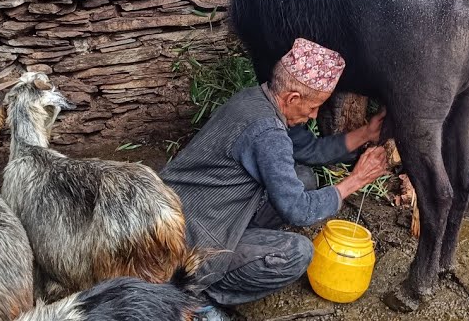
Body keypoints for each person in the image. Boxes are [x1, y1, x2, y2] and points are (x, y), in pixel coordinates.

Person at [161, 38, 390, 320]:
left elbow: (308, 150)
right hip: (191, 245)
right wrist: (355, 180)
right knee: (297, 252)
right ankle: (195, 293)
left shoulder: (255, 99)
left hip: (183, 212)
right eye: (314, 107)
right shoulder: (268, 133)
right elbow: (298, 210)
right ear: (292, 98)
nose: (314, 116)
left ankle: (225, 257)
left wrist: (366, 133)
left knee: (302, 177)